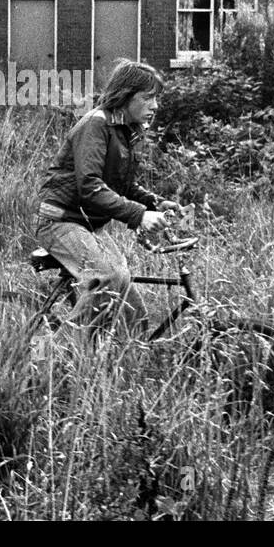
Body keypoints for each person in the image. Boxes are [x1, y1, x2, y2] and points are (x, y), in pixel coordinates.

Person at [34, 59, 182, 339]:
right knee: (109, 277)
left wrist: (153, 203)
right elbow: (90, 186)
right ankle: (57, 359)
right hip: (60, 220)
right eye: (148, 98)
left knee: (132, 312)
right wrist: (138, 215)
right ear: (125, 96)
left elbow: (119, 184)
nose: (155, 106)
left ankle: (122, 361)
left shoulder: (124, 130)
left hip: (87, 223)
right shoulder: (96, 124)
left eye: (156, 99)